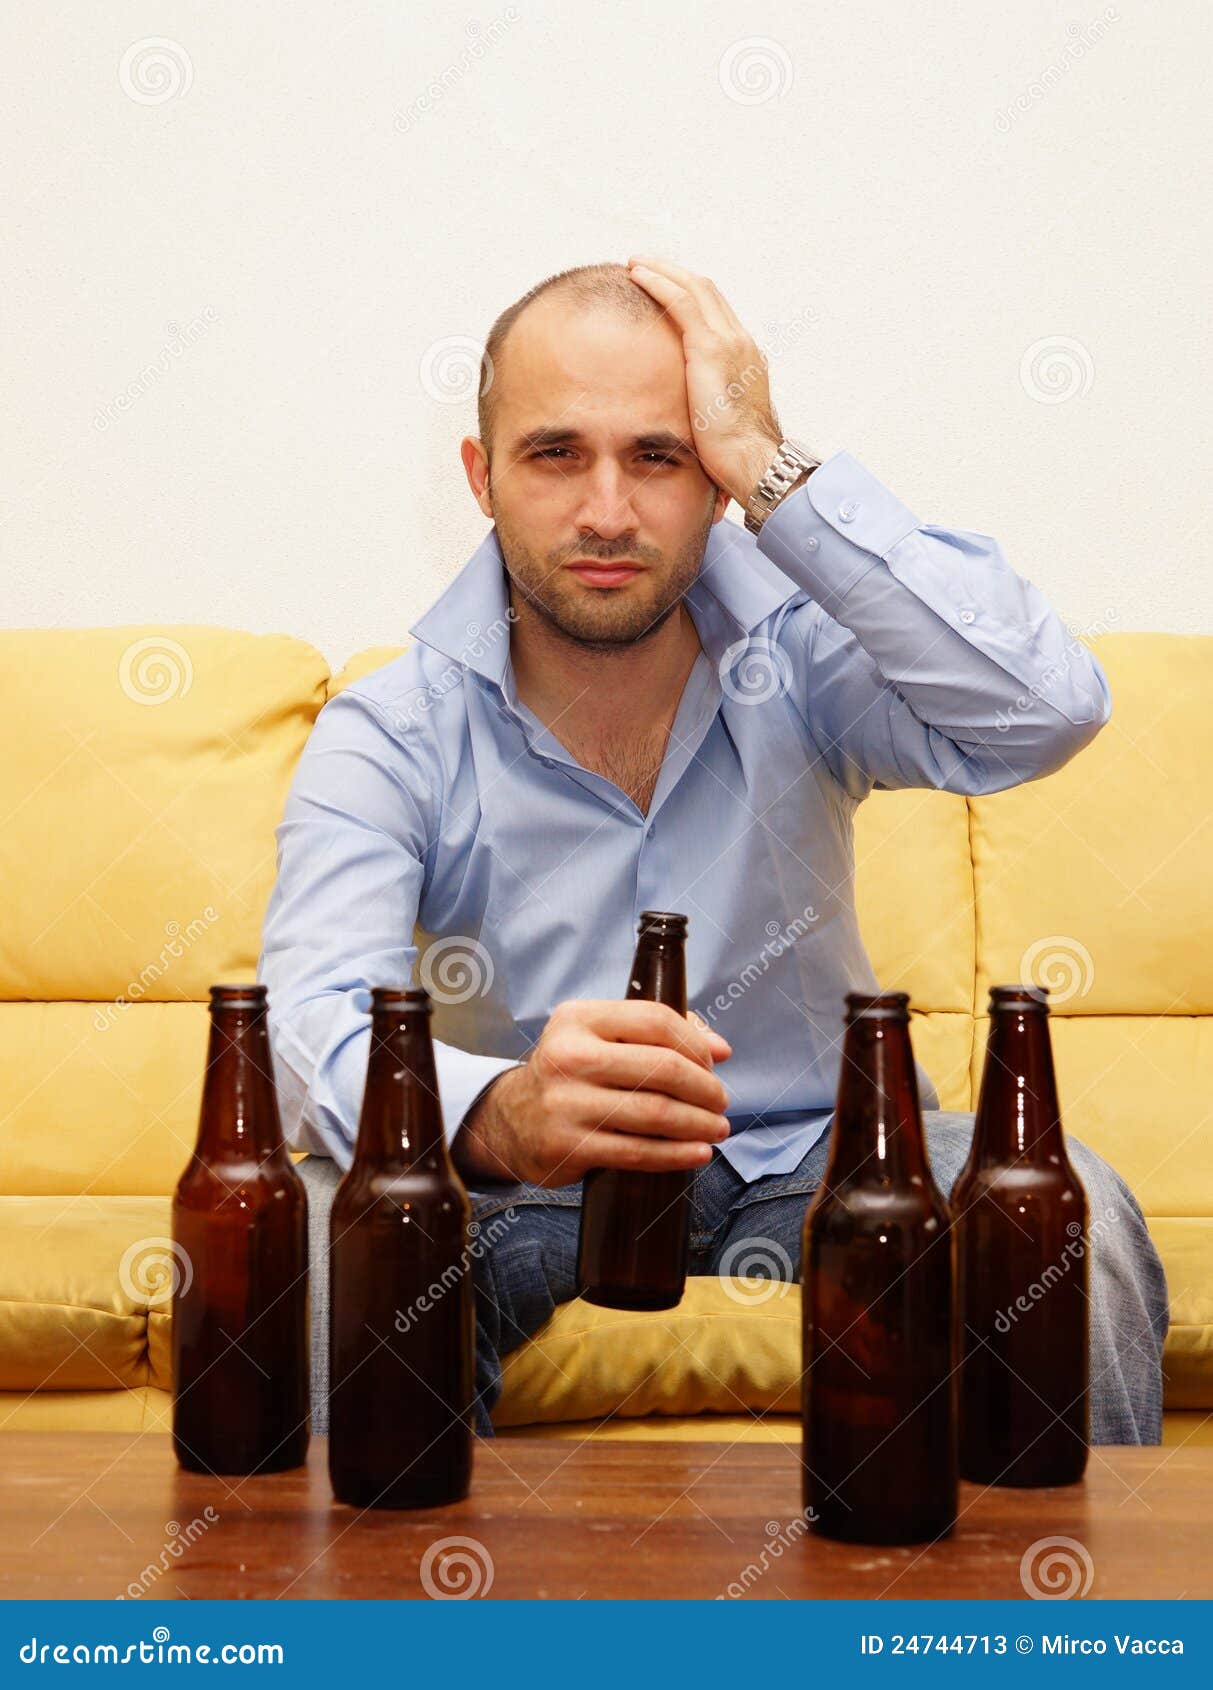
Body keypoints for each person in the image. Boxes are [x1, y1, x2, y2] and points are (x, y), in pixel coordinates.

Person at [259, 258, 1168, 1446]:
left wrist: (779, 473)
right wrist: (498, 1111)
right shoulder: (393, 727)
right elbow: (304, 1017)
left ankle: (1057, 1622)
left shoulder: (800, 658)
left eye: (659, 456)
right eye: (554, 454)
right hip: (528, 1187)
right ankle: (372, 1635)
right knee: (324, 1237)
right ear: (480, 478)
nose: (605, 512)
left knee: (1069, 1216)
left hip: (824, 1159)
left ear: (718, 480)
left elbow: (1044, 708)